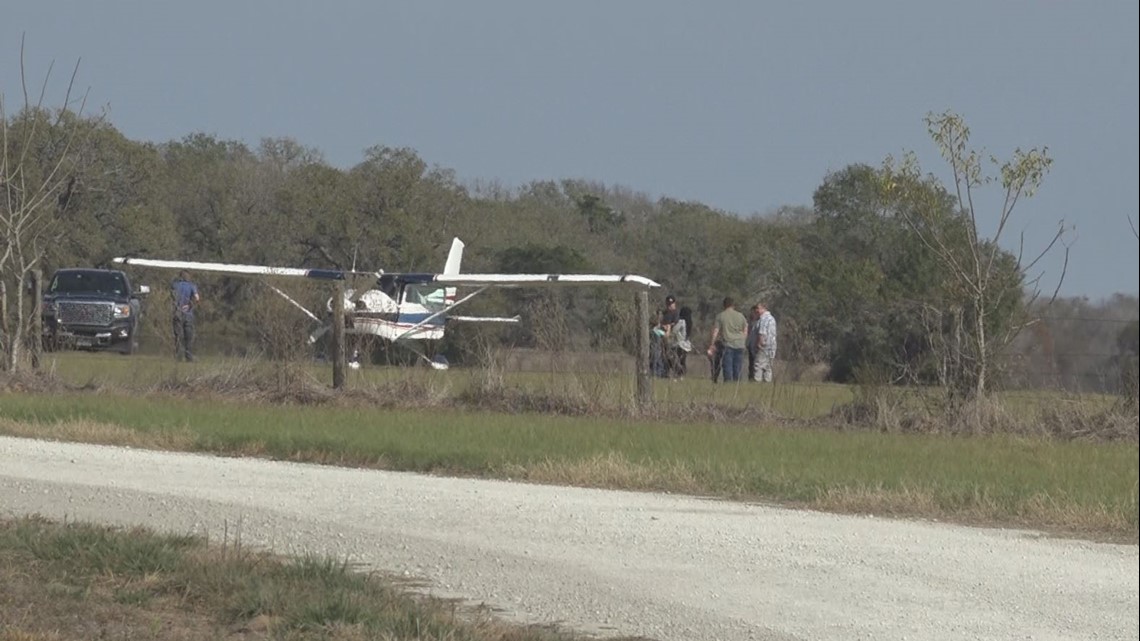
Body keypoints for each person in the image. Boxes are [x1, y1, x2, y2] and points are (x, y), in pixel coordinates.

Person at [707, 297, 748, 382]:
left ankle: (728, 384)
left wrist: (712, 344)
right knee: (738, 367)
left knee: (728, 366)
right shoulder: (741, 315)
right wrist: (743, 340)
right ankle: (737, 385)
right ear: (733, 305)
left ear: (724, 305)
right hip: (740, 344)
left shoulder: (721, 316)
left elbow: (716, 331)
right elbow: (745, 329)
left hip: (728, 344)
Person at [171, 270, 200, 362]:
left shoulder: (175, 285)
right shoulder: (192, 286)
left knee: (178, 336)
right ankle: (189, 356)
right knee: (188, 336)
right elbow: (197, 298)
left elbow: (173, 296)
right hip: (188, 313)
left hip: (177, 312)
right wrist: (190, 305)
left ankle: (178, 356)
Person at [667, 305, 694, 379]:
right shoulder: (690, 323)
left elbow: (674, 331)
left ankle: (677, 375)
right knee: (682, 361)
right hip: (686, 346)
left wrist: (671, 326)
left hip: (678, 344)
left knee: (675, 360)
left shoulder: (681, 321)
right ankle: (681, 376)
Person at [753, 303, 777, 382]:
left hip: (764, 345)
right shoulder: (772, 318)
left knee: (758, 365)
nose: (757, 310)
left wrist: (759, 343)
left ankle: (757, 381)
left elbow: (762, 333)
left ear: (764, 308)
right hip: (772, 346)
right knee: (768, 366)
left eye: (758, 308)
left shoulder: (763, 319)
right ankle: (767, 382)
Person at [746, 304, 762, 382]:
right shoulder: (750, 323)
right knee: (751, 365)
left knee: (756, 364)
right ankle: (751, 378)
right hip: (750, 346)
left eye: (754, 312)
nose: (752, 314)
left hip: (756, 346)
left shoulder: (760, 322)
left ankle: (756, 379)